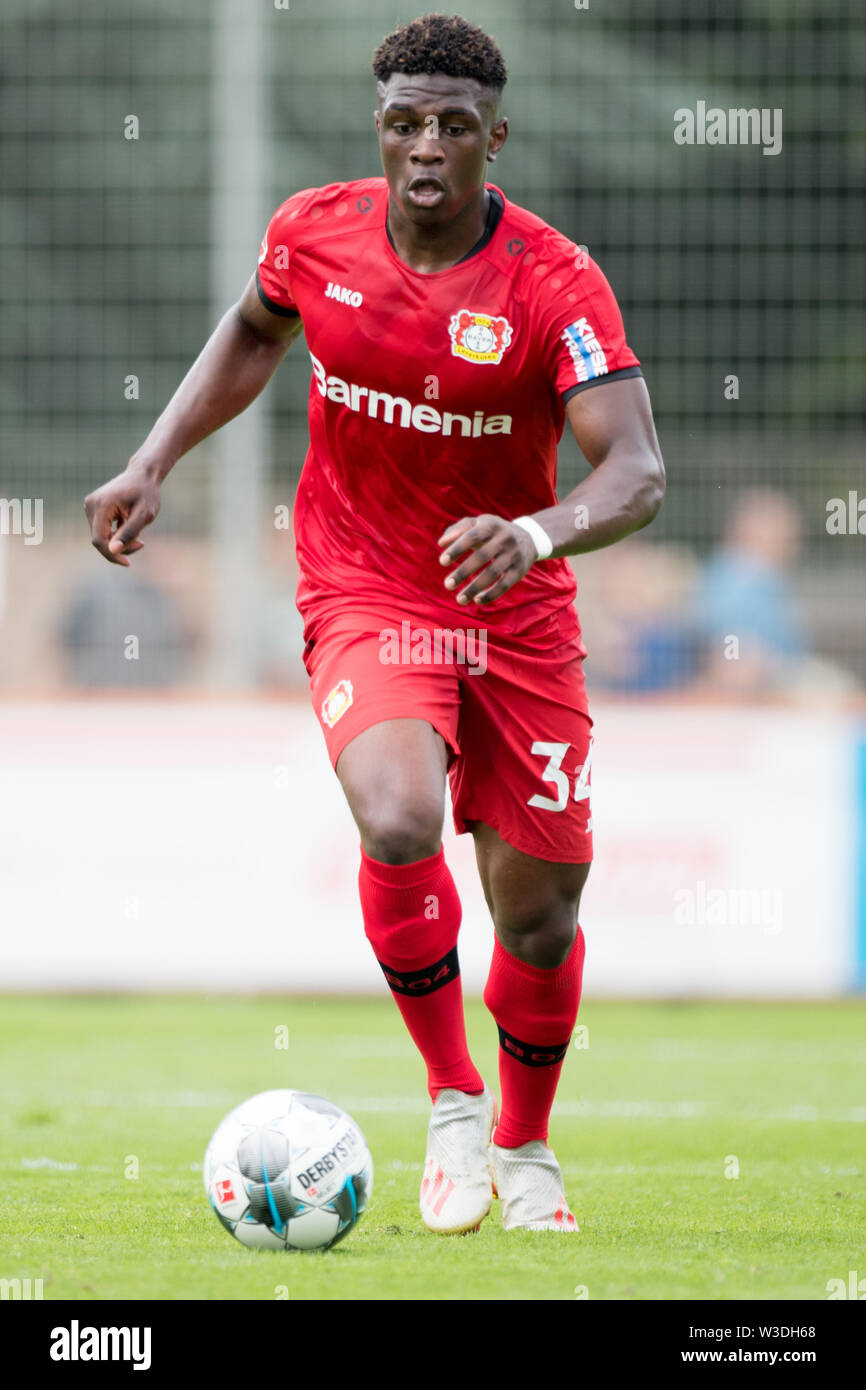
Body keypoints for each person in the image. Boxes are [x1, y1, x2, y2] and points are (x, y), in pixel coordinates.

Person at [84, 13, 665, 1235]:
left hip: (515, 604)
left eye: (453, 125)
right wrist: (153, 461)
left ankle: (521, 1141)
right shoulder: (312, 231)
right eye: (404, 121)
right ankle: (453, 1099)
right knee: (398, 816)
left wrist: (541, 529)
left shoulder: (553, 283)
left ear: (492, 140)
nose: (424, 146)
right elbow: (253, 328)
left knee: (541, 913)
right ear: (380, 128)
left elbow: (635, 472)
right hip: (366, 585)